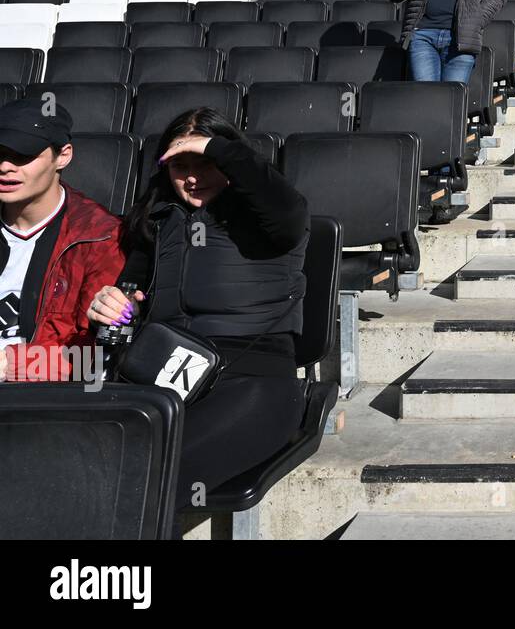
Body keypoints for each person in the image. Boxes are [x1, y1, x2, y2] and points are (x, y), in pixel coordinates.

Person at [90, 108, 308, 510]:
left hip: (251, 381)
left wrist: (219, 148)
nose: (192, 177)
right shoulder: (157, 221)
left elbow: (285, 206)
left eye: (205, 163)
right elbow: (130, 298)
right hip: (165, 378)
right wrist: (113, 308)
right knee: (81, 466)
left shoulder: (270, 220)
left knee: (146, 476)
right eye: (181, 166)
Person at [0, 99, 125, 384]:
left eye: (22, 156)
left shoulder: (101, 237)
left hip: (36, 398)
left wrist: (11, 365)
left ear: (63, 156)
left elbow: (94, 360)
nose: (5, 166)